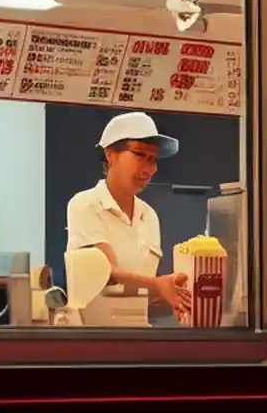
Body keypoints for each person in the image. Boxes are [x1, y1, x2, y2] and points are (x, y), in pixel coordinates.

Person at [66, 111, 192, 323]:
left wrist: (178, 298)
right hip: (94, 337)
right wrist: (158, 285)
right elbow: (107, 274)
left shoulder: (149, 216)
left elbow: (143, 298)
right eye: (139, 155)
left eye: (152, 160)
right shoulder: (85, 204)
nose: (148, 169)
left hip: (139, 336)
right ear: (110, 154)